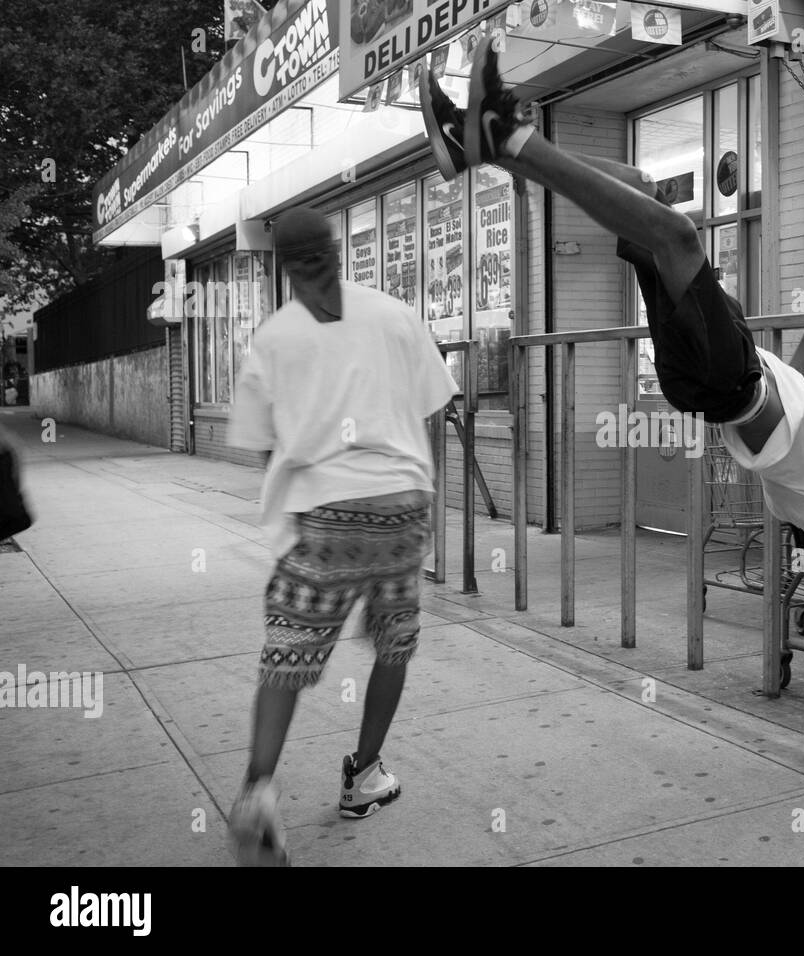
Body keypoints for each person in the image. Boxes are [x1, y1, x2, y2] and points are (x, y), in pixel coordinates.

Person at [419, 41, 804, 612]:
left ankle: (502, 136)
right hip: (723, 368)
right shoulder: (803, 395)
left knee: (676, 234)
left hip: (725, 385)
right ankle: (477, 146)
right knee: (641, 187)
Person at [226, 206, 456, 865]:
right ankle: (364, 777)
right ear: (336, 250)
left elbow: (261, 446)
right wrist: (424, 502)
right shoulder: (394, 314)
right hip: (402, 509)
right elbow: (434, 412)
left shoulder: (273, 338)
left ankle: (258, 793)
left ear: (284, 264)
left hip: (327, 516)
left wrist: (299, 511)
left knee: (286, 655)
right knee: (394, 643)